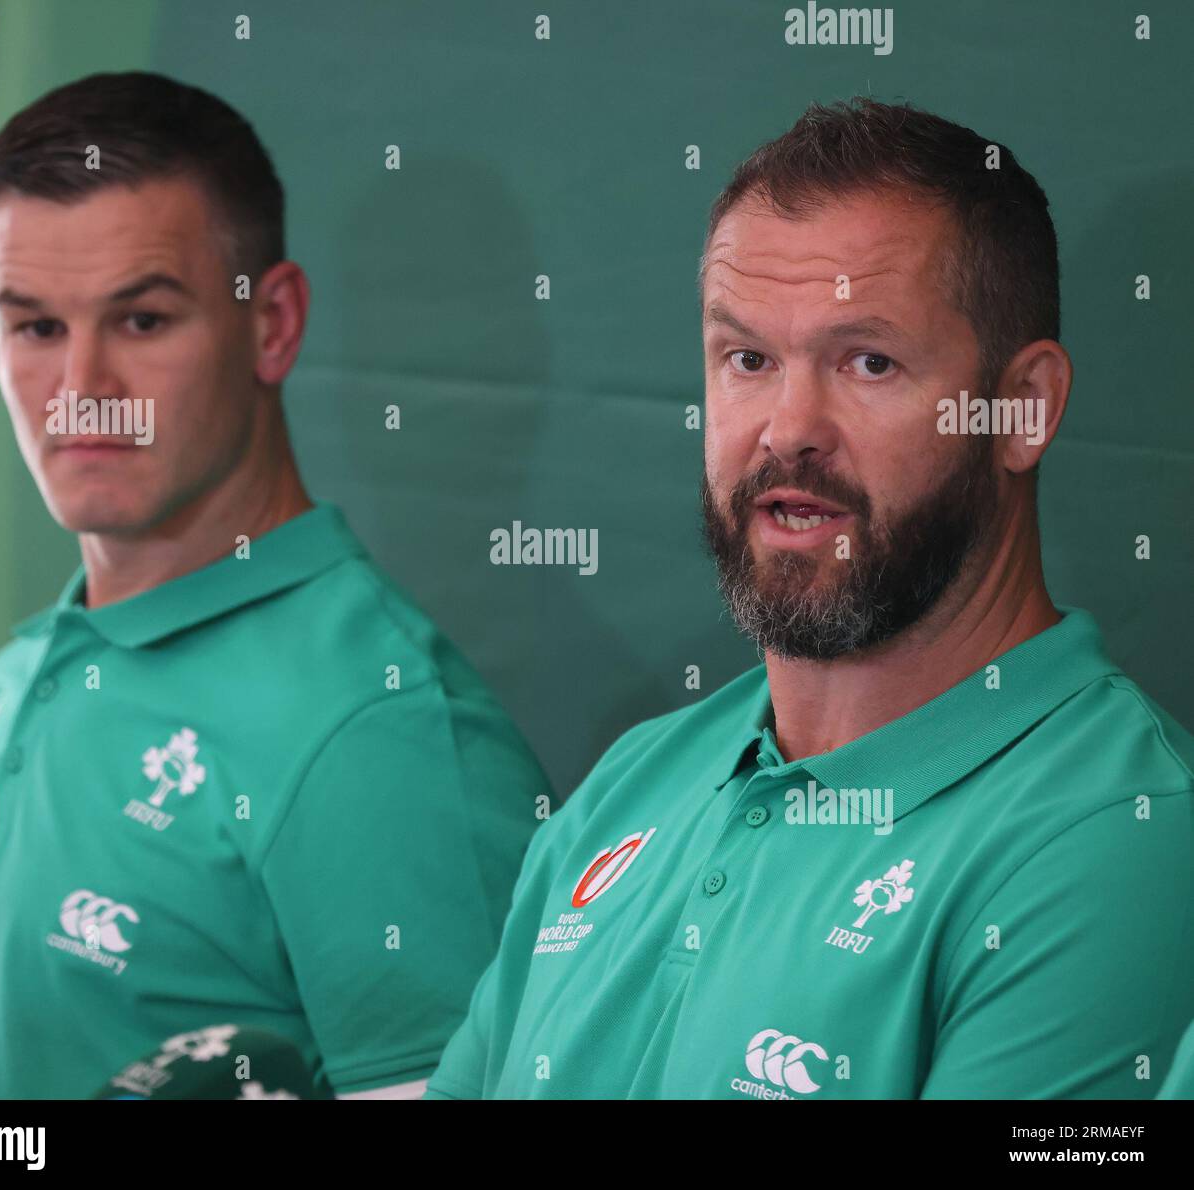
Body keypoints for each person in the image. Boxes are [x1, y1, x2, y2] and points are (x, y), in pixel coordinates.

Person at [426, 98, 1194, 1100]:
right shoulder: (630, 784)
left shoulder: (1119, 834)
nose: (788, 430)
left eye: (866, 361)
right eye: (747, 359)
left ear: (1023, 408)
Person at [0, 71, 549, 1100]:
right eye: (35, 327)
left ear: (272, 322)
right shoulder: (19, 669)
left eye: (143, 320)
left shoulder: (381, 735)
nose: (81, 392)